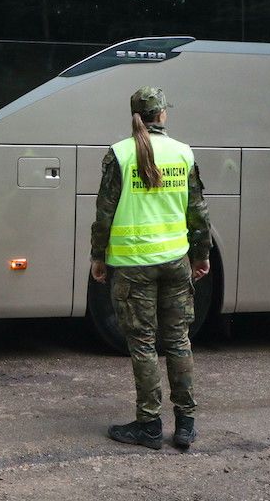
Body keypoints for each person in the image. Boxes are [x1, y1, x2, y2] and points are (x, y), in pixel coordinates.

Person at [89, 87, 211, 452]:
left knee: (143, 345)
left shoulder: (120, 152)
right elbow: (198, 212)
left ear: (136, 116)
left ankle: (150, 426)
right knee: (177, 341)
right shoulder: (183, 153)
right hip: (175, 261)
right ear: (163, 115)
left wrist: (98, 256)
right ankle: (186, 425)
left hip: (132, 266)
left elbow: (104, 212)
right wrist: (200, 255)